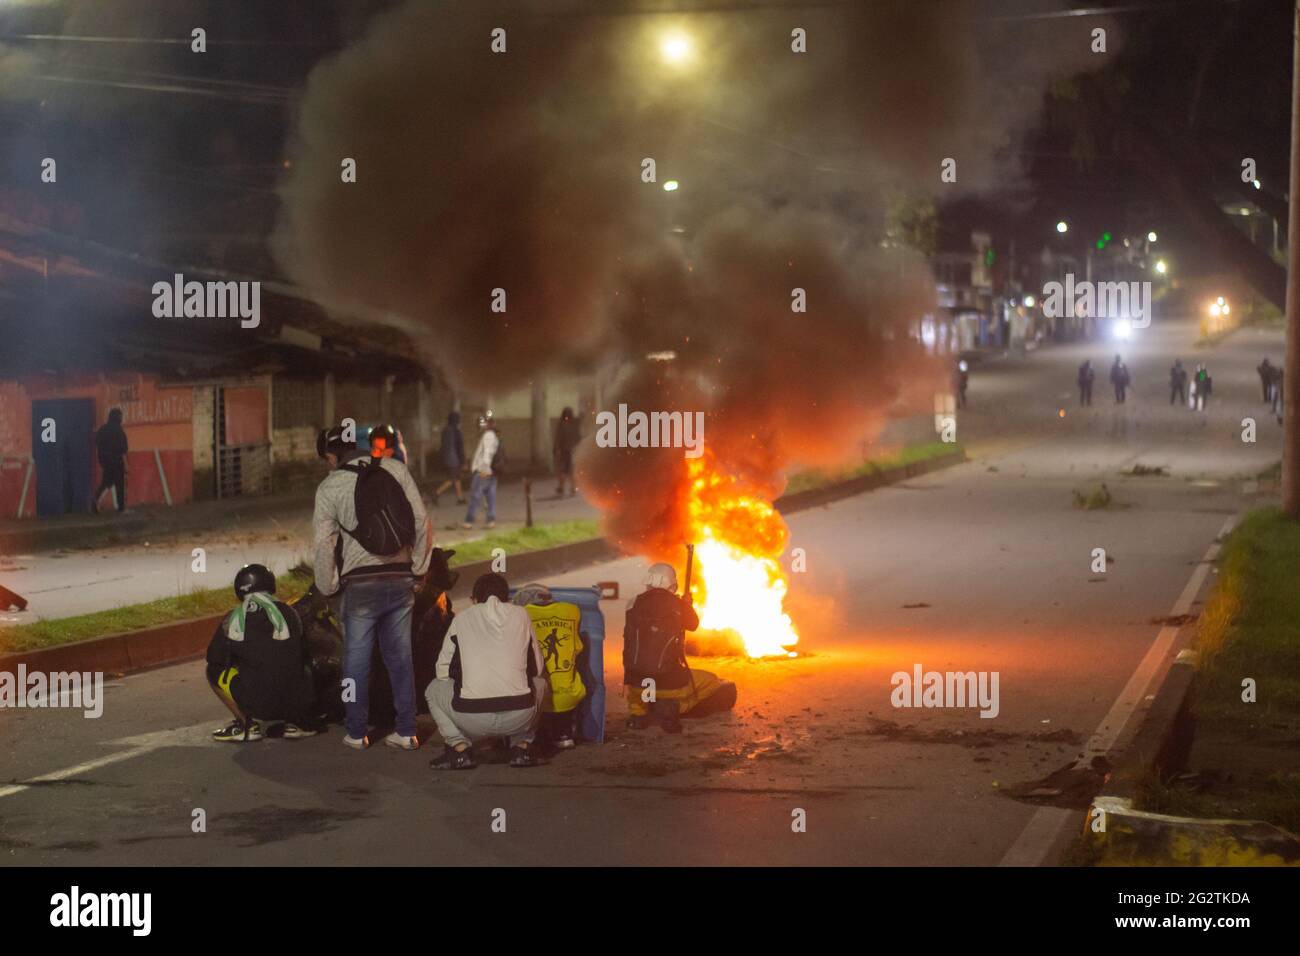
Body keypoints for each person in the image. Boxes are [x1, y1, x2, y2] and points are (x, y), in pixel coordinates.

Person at [313, 424, 433, 751]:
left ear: (332, 454)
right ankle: (407, 730)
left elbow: (324, 544)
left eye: (327, 457)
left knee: (356, 660)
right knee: (400, 657)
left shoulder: (331, 485)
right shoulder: (394, 468)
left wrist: (328, 584)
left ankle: (356, 732)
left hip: (360, 584)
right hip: (400, 577)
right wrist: (419, 568)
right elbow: (422, 521)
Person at [426, 572, 546, 770]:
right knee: (540, 683)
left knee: (432, 689)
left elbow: (442, 671)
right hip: (519, 716)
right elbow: (538, 669)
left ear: (474, 600)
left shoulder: (462, 619)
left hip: (472, 718)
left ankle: (459, 749)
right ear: (507, 598)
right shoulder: (522, 614)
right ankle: (523, 747)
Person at [207, 564, 317, 742]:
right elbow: (303, 651)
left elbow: (214, 658)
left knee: (212, 671)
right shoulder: (290, 612)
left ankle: (247, 725)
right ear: (270, 584)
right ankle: (295, 722)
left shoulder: (233, 618)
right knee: (302, 665)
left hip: (256, 703)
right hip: (293, 698)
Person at [623, 563, 737, 734]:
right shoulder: (678, 605)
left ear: (648, 583)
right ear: (673, 585)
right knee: (712, 681)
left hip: (635, 683)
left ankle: (638, 714)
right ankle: (673, 708)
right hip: (670, 683)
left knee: (641, 685)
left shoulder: (632, 604)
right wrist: (687, 605)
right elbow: (693, 624)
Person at [513, 582, 586, 749]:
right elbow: (578, 647)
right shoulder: (572, 610)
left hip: (539, 701)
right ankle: (564, 734)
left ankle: (535, 736)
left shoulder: (523, 615)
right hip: (571, 695)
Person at [461, 414, 499, 530]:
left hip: (484, 470)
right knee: (490, 496)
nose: (481, 425)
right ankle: (491, 520)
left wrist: (484, 469)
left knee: (475, 495)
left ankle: (469, 521)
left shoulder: (488, 435)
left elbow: (487, 454)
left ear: (488, 425)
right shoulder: (494, 436)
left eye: (483, 423)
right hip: (492, 471)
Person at [91, 407, 129, 514]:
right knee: (119, 484)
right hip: (117, 461)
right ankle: (121, 508)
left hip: (105, 461)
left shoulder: (103, 429)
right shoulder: (119, 431)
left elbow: (96, 442)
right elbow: (123, 449)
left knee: (107, 482)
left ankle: (96, 499)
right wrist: (126, 464)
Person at [433, 411, 466, 507]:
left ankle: (460, 498)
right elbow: (459, 447)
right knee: (452, 479)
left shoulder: (445, 430)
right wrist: (463, 461)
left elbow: (443, 445)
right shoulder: (456, 431)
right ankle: (436, 493)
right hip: (454, 459)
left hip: (446, 458)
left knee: (457, 478)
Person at [553, 407, 582, 497]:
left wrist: (556, 449)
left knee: (562, 470)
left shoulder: (562, 425)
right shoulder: (575, 425)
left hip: (564, 451)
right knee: (572, 471)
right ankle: (573, 488)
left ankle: (562, 488)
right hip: (574, 451)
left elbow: (558, 438)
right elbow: (579, 437)